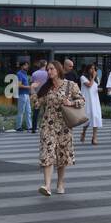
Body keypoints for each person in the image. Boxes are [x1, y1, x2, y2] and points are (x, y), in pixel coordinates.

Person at [31, 60, 84, 196]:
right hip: (47, 125)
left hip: (64, 126)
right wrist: (32, 90)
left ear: (59, 70)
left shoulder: (70, 85)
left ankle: (60, 183)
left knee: (62, 156)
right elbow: (37, 105)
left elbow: (82, 101)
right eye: (48, 69)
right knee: (47, 154)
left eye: (52, 69)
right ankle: (47, 186)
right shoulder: (46, 87)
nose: (49, 72)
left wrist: (71, 103)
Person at [79, 63, 103, 144]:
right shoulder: (83, 77)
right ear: (87, 69)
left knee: (95, 117)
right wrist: (93, 77)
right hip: (87, 100)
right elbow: (89, 85)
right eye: (91, 68)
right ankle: (84, 132)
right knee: (87, 118)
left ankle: (94, 137)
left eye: (94, 68)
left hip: (95, 100)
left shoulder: (96, 78)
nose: (92, 70)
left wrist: (99, 89)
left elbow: (95, 87)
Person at [29, 59, 49, 132]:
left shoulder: (34, 73)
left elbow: (32, 83)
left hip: (37, 95)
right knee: (46, 112)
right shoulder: (48, 74)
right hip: (46, 94)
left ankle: (34, 128)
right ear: (45, 65)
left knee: (36, 112)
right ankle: (45, 127)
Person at [14, 60, 32, 132]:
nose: (27, 66)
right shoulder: (19, 74)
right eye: (26, 65)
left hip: (26, 94)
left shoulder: (25, 74)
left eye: (27, 65)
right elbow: (19, 85)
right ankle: (18, 127)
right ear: (22, 66)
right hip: (22, 94)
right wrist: (28, 87)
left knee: (28, 111)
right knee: (21, 111)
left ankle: (29, 126)